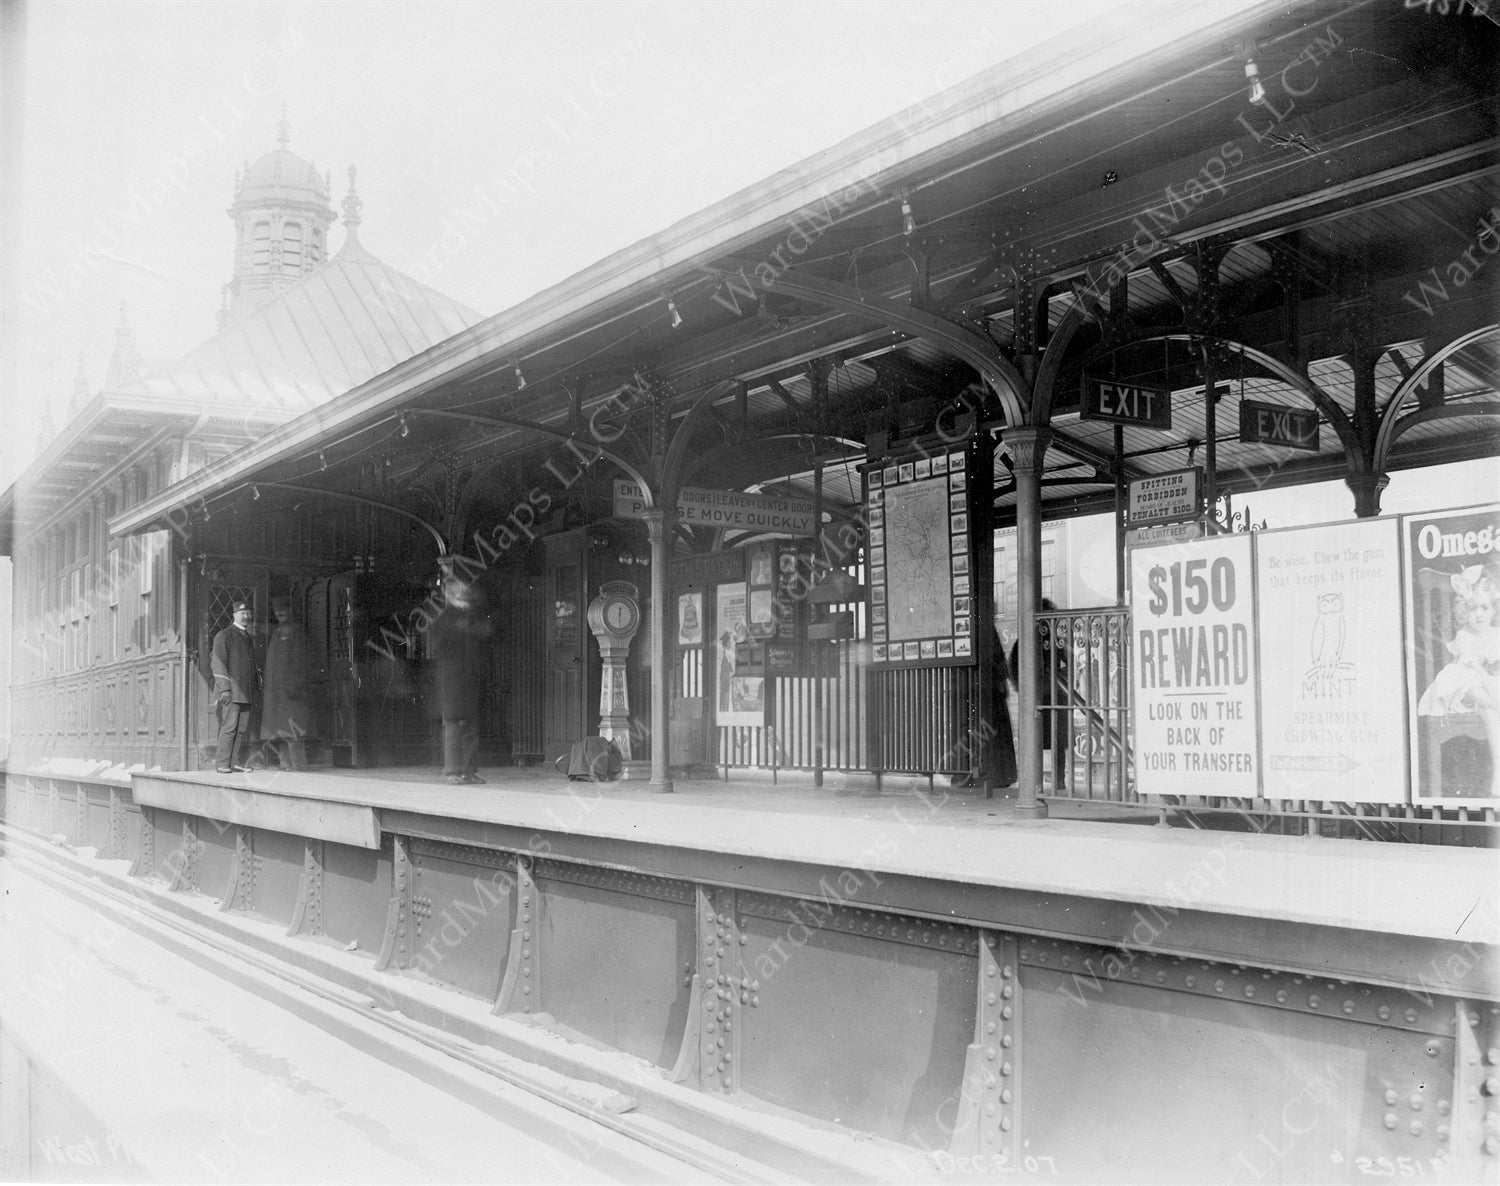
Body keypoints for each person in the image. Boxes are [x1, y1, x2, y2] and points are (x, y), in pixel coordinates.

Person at [1418, 567, 1500, 795]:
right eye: (1472, 608)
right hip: (1462, 688)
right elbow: (1473, 669)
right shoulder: (1465, 635)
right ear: (1463, 611)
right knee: (1477, 688)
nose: (1479, 615)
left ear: (1493, 610)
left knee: (1492, 712)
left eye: (1485, 608)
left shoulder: (1496, 634)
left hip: (1490, 689)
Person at [429, 576, 492, 785]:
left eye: (464, 590)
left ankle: (469, 770)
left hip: (471, 678)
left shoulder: (472, 615)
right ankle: (452, 771)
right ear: (449, 594)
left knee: (472, 727)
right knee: (454, 726)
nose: (463, 593)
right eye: (458, 590)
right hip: (453, 680)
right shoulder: (444, 617)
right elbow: (440, 646)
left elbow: (485, 638)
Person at [1008, 597, 1070, 773]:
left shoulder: (1046, 642)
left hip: (1047, 696)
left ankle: (1043, 780)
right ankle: (1052, 780)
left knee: (1042, 739)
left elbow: (1013, 668)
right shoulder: (1053, 642)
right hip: (1050, 697)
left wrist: (1024, 690)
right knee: (1048, 739)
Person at [261, 595, 311, 771]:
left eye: (283, 609)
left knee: (292, 729)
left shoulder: (296, 631)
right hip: (277, 692)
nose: (280, 612)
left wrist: (295, 684)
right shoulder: (276, 632)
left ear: (291, 610)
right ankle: (285, 762)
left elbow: (300, 660)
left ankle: (298, 764)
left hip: (291, 690)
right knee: (280, 729)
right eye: (277, 609)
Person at [211, 599, 259, 774]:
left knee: (242, 730)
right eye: (242, 613)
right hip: (231, 692)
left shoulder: (248, 637)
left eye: (248, 613)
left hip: (246, 692)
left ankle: (235, 762)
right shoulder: (224, 636)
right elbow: (218, 663)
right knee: (230, 727)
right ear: (234, 615)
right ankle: (222, 763)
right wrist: (225, 688)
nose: (246, 616)